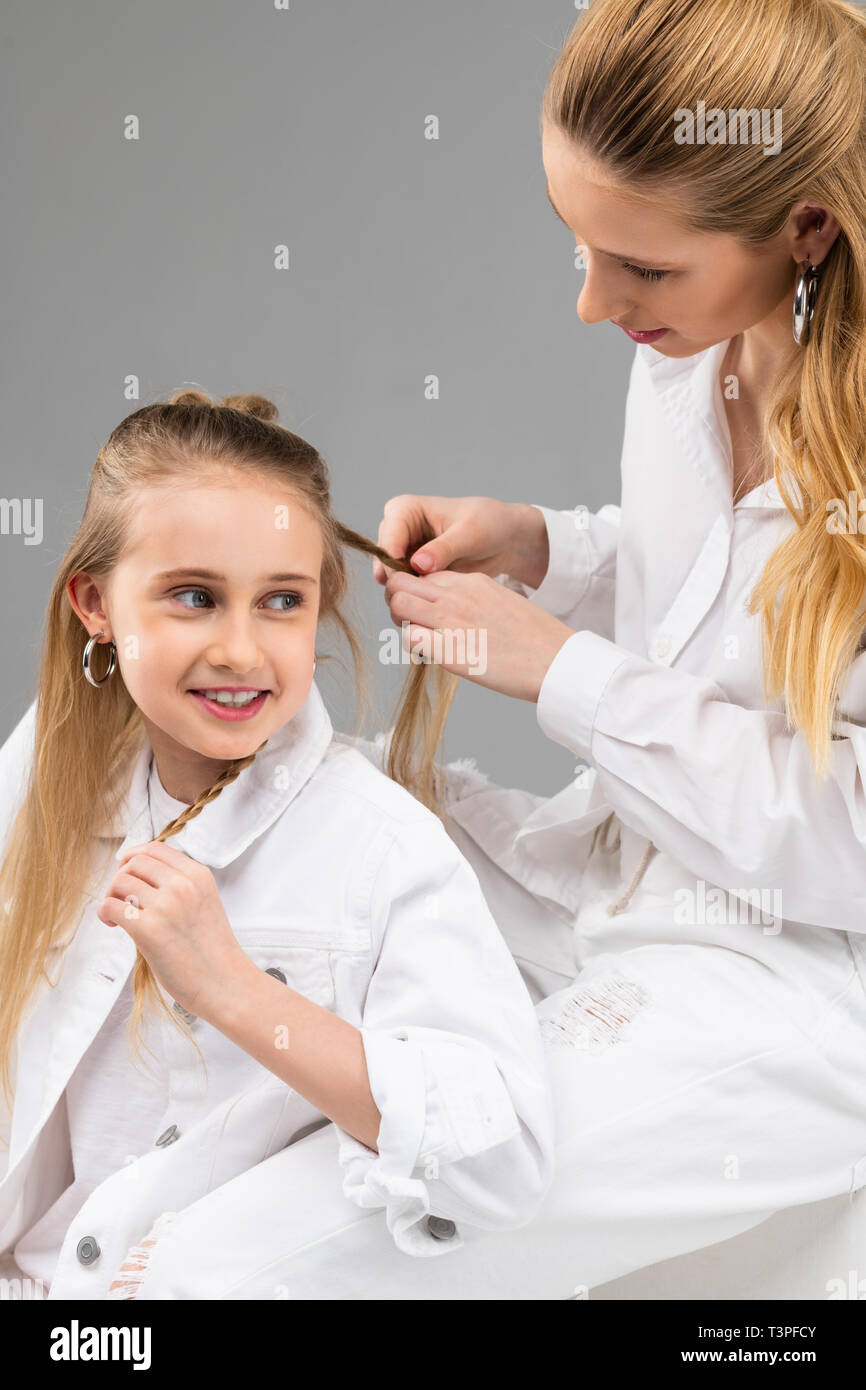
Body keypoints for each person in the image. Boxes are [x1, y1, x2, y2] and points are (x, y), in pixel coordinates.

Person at [108, 0, 866, 1300]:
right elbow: (746, 591)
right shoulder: (696, 347)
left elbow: (842, 831)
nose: (591, 302)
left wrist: (552, 667)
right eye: (579, 245)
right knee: (265, 828)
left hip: (786, 974)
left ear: (804, 227)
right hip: (603, 878)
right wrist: (541, 548)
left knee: (240, 1262)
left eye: (639, 267)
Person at [0, 389, 554, 1300]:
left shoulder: (379, 849)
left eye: (281, 602)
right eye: (193, 597)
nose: (240, 651)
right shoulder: (53, 786)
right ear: (96, 604)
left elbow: (500, 1162)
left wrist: (233, 990)